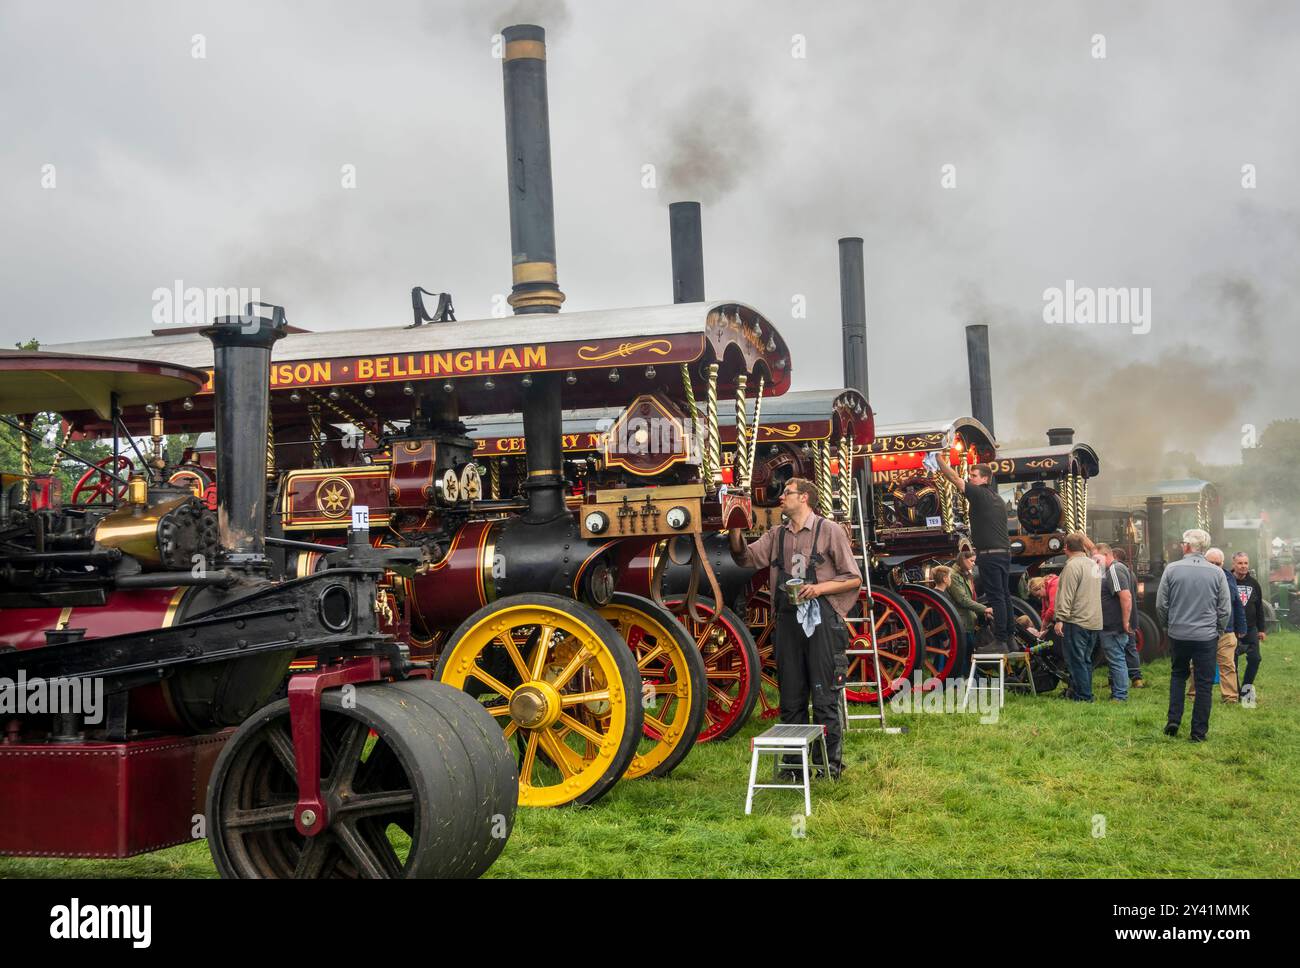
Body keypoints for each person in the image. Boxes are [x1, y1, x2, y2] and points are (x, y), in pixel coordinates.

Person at [728, 477, 861, 778]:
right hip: (787, 621)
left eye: (787, 493)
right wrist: (735, 526)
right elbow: (744, 557)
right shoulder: (777, 535)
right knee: (791, 697)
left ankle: (829, 768)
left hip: (823, 621)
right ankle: (792, 767)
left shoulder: (829, 531)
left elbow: (853, 578)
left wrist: (819, 588)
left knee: (825, 696)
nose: (781, 497)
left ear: (804, 498)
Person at [1157, 529, 1230, 742]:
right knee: (1204, 683)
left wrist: (1167, 627)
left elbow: (1161, 604)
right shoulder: (1217, 573)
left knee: (1178, 675)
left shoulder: (1171, 570)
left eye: (1182, 543)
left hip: (1178, 633)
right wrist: (1218, 630)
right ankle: (1198, 732)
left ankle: (1173, 719)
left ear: (1187, 546)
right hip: (1206, 636)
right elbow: (1224, 608)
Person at [935, 459, 1013, 650]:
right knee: (1004, 596)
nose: (970, 478)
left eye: (974, 476)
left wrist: (938, 459)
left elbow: (954, 478)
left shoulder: (979, 494)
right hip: (1003, 553)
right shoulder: (997, 499)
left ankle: (1001, 640)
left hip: (990, 555)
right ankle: (1009, 638)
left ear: (985, 478)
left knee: (996, 597)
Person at [1189, 548, 1245, 703]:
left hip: (1226, 630)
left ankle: (1230, 698)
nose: (1214, 566)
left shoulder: (1229, 577)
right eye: (1211, 563)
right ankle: (1193, 695)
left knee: (1227, 664)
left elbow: (1237, 603)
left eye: (1217, 563)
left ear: (1222, 564)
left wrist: (1241, 627)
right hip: (1202, 629)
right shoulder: (1195, 577)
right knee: (1198, 664)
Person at [1053, 532, 1103, 701]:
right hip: (1094, 621)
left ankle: (1083, 696)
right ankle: (1084, 692)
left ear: (1066, 548)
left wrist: (1060, 619)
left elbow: (1066, 595)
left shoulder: (1072, 566)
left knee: (1076, 661)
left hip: (1077, 621)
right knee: (1086, 660)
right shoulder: (1094, 565)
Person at [1096, 543, 1133, 701]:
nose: (1095, 563)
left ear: (1106, 555)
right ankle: (1118, 692)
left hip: (1114, 625)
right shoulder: (1114, 569)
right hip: (1112, 624)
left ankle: (1120, 696)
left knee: (1117, 659)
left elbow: (1125, 597)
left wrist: (1125, 623)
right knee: (1116, 658)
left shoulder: (1114, 570)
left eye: (1096, 559)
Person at [1231, 552, 1266, 704]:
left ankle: (1246, 691)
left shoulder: (1254, 583)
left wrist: (1262, 629)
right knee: (1232, 663)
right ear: (1233, 564)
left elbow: (1259, 607)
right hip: (1232, 628)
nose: (1243, 566)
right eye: (1240, 563)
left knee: (1255, 658)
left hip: (1251, 627)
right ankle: (1235, 693)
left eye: (1245, 563)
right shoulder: (1227, 581)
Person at [943, 551, 990, 661]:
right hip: (961, 622)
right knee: (962, 657)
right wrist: (985, 609)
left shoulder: (966, 575)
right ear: (963, 560)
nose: (974, 564)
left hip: (968, 621)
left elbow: (973, 598)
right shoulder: (954, 576)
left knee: (968, 655)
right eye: (971, 561)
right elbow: (962, 600)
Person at [1112, 548, 1147, 688]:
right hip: (1132, 615)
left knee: (1115, 650)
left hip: (1120, 615)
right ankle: (1136, 678)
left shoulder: (1116, 571)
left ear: (1114, 556)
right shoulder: (1130, 573)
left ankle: (1115, 680)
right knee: (1131, 647)